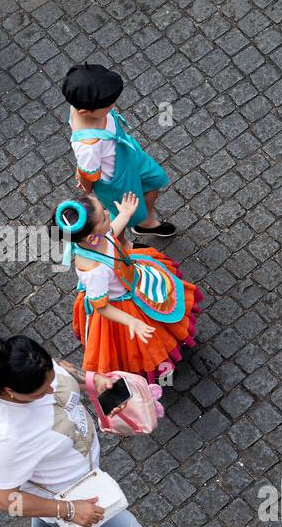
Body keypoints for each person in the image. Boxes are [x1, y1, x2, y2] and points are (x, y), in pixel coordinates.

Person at [0, 335, 231, 527]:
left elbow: (61, 368)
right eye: (40, 392)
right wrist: (69, 509)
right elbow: (3, 499)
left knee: (50, 518)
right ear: (9, 392)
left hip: (76, 473)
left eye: (49, 381)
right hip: (73, 494)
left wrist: (94, 382)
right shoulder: (6, 438)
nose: (50, 391)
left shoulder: (28, 365)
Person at [54, 193, 199, 380]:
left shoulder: (95, 239)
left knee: (161, 320)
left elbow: (110, 233)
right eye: (104, 216)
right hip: (122, 306)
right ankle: (160, 370)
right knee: (145, 346)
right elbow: (102, 306)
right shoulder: (94, 271)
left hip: (133, 279)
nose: (108, 214)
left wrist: (126, 214)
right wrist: (132, 322)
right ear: (91, 237)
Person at [64, 64, 175, 237]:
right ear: (85, 112)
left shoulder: (81, 102)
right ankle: (121, 244)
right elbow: (87, 178)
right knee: (124, 214)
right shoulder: (88, 146)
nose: (113, 104)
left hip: (127, 154)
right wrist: (82, 176)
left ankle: (145, 223)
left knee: (155, 179)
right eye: (108, 104)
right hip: (116, 179)